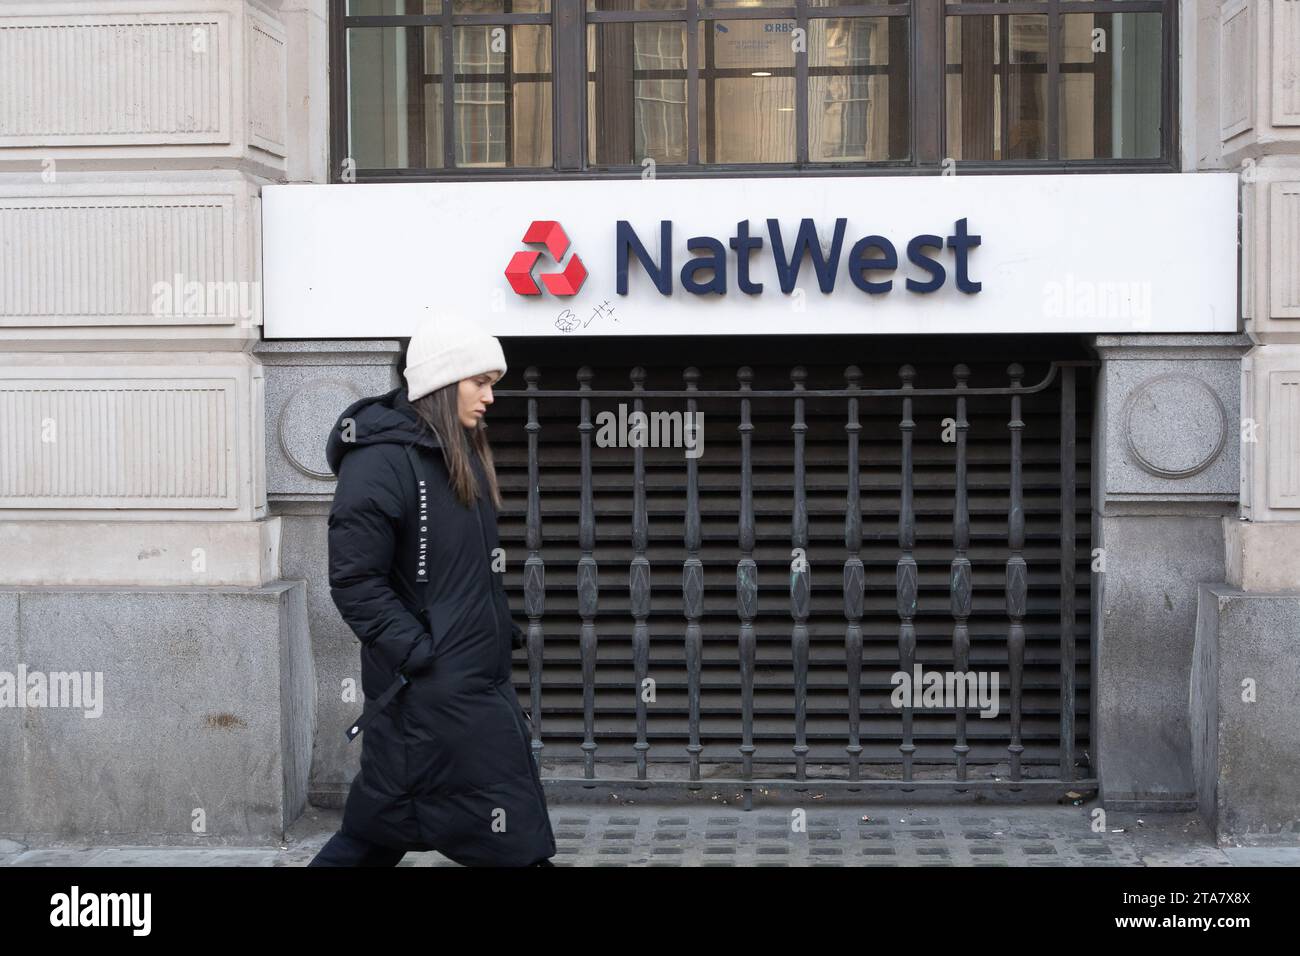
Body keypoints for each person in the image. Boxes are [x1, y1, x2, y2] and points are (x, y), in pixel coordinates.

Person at [308, 319, 556, 867]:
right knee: (510, 833)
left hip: (464, 681)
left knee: (382, 828)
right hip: (432, 690)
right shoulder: (380, 461)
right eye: (480, 382)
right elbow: (355, 581)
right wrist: (421, 652)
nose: (491, 397)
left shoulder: (454, 454)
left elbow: (458, 573)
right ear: (444, 383)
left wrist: (492, 628)